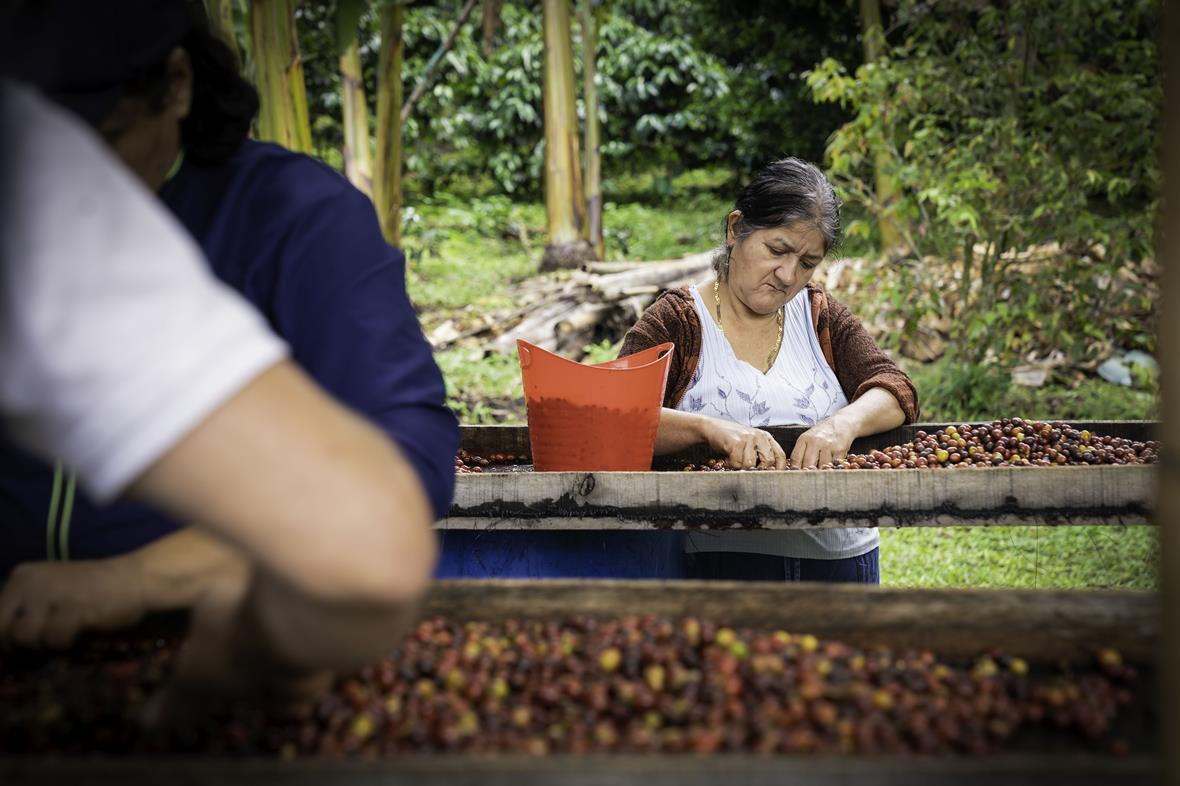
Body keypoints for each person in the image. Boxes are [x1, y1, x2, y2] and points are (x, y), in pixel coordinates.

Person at [0, 0, 458, 638]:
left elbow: (409, 463)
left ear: (177, 84)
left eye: (104, 140)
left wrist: (140, 578)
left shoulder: (299, 218)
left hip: (219, 638)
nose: (68, 185)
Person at [619, 158, 920, 583]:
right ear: (735, 229)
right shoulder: (679, 321)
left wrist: (841, 425)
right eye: (777, 250)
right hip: (720, 567)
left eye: (807, 262)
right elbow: (615, 417)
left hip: (841, 564)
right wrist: (709, 430)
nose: (787, 275)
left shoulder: (820, 314)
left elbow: (895, 390)